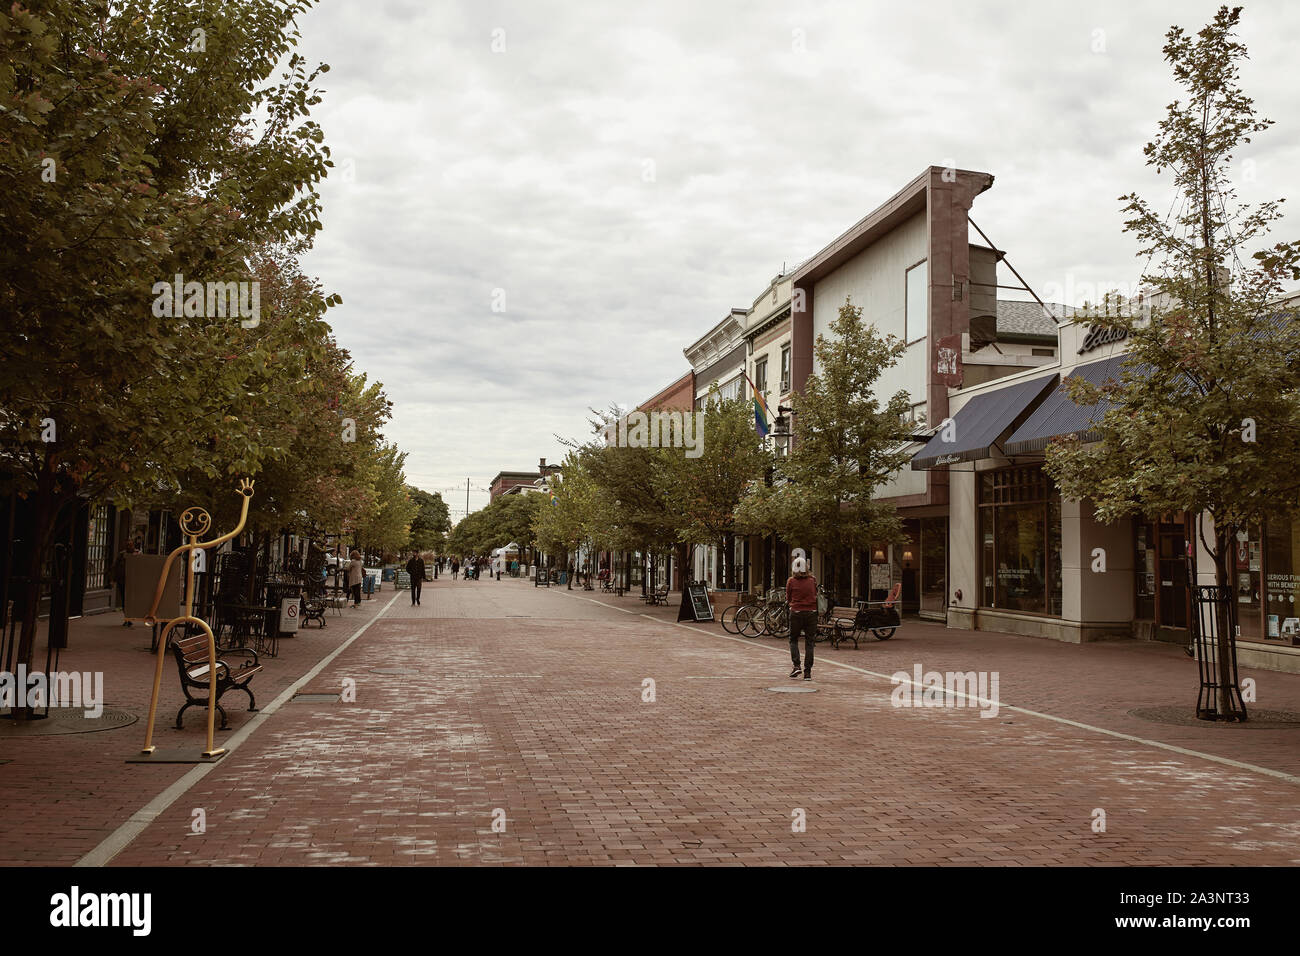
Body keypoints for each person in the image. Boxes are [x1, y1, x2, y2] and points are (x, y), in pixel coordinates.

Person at [786, 556, 819, 681]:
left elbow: (788, 597)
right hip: (811, 612)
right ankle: (808, 672)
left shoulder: (791, 581)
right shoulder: (812, 580)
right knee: (810, 642)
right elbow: (815, 594)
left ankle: (796, 665)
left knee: (793, 639)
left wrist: (792, 604)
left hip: (796, 612)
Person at [112, 540, 137, 627]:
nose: (129, 547)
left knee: (130, 601)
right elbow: (116, 567)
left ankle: (129, 618)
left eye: (131, 545)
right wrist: (114, 579)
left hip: (133, 582)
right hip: (122, 581)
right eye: (128, 545)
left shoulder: (137, 555)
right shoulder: (121, 555)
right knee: (124, 600)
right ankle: (127, 618)